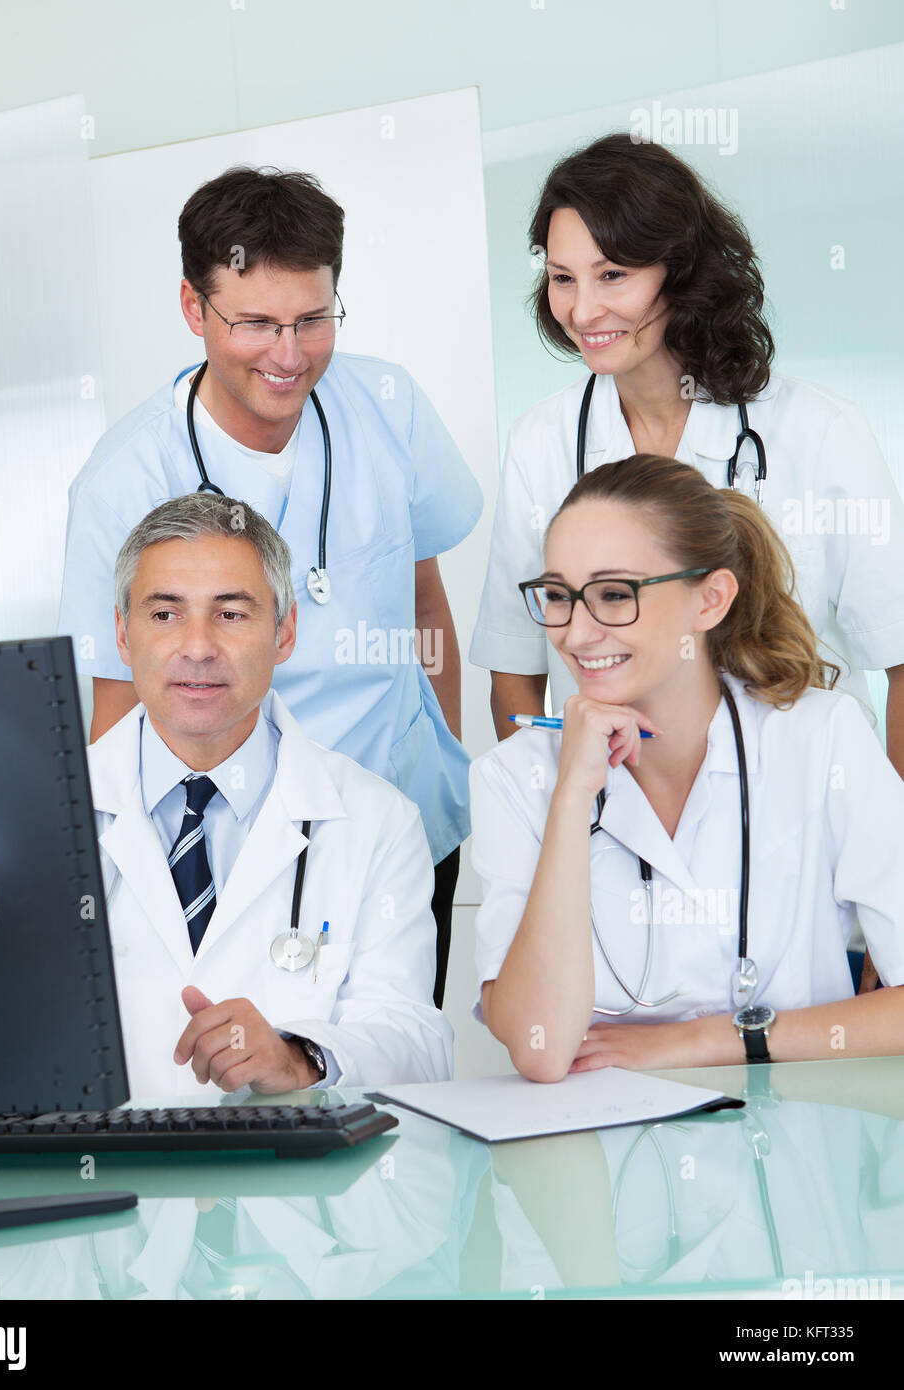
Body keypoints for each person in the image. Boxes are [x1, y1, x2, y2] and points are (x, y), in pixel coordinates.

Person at [60, 167, 482, 1007]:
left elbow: (424, 607)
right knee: (249, 1088)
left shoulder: (387, 406)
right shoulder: (124, 478)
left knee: (385, 1076)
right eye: (255, 323)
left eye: (312, 321)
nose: (289, 357)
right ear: (194, 309)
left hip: (401, 823)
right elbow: (118, 705)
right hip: (236, 847)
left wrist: (433, 769)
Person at [471, 133, 904, 764]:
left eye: (612, 274)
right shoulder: (542, 442)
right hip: (620, 831)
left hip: (802, 819)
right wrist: (559, 822)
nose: (582, 309)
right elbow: (515, 667)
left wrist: (887, 839)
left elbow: (899, 656)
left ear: (683, 270)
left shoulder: (820, 432)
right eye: (563, 278)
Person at [470, 455, 904, 1083]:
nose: (576, 632)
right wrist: (570, 800)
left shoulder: (821, 739)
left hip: (789, 1147)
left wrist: (703, 1041)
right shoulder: (516, 777)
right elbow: (540, 1048)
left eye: (615, 594)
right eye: (559, 596)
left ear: (710, 600)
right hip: (603, 1159)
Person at [88, 490, 452, 1096]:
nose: (198, 647)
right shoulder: (49, 814)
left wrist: (301, 1057)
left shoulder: (377, 820)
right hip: (101, 1177)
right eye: (165, 614)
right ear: (123, 637)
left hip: (293, 1186)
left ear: (284, 633)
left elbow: (417, 1043)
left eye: (231, 614)